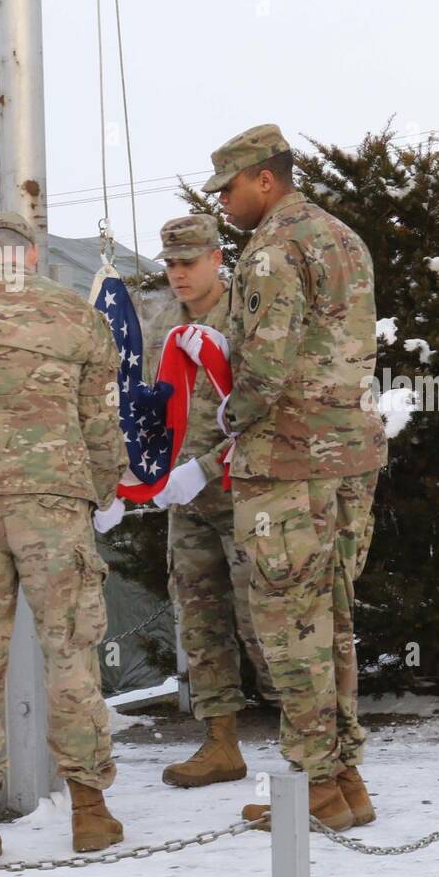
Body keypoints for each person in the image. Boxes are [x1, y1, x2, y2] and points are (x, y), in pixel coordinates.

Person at [0, 212, 127, 862]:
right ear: (31, 258)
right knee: (71, 650)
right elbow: (100, 419)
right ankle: (89, 812)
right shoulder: (74, 318)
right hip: (53, 500)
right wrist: (105, 486)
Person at [197, 124, 387, 831]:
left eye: (231, 187)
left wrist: (229, 417)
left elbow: (266, 367)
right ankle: (343, 777)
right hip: (348, 457)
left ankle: (316, 786)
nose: (224, 202)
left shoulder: (274, 248)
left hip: (287, 462)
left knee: (287, 625)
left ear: (264, 179)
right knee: (330, 619)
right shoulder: (343, 237)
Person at [140, 215, 275, 789]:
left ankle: (314, 754)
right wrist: (142, 476)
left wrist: (209, 465)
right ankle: (221, 744)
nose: (178, 273)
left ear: (217, 259)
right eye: (170, 263)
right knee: (199, 619)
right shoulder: (162, 323)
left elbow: (267, 408)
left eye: (189, 262)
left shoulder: (246, 317)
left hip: (249, 493)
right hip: (187, 499)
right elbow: (148, 406)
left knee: (267, 622)